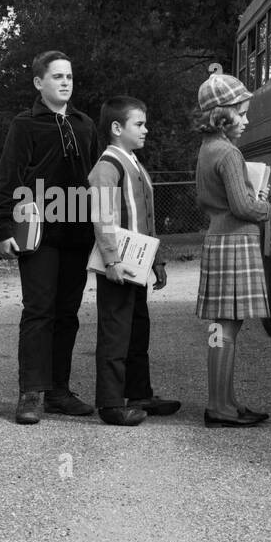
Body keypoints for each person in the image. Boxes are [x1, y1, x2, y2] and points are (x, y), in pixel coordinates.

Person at [0, 51, 100, 424]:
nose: (65, 82)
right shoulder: (25, 125)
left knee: (67, 313)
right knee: (39, 311)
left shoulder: (85, 125)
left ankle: (58, 391)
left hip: (78, 231)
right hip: (38, 232)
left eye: (69, 76)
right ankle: (31, 393)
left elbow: (98, 181)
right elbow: (8, 178)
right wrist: (2, 230)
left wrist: (102, 229)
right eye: (57, 77)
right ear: (39, 83)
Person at [88, 96, 180, 426]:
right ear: (116, 128)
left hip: (139, 264)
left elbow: (146, 217)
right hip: (119, 264)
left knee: (138, 329)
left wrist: (157, 260)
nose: (145, 130)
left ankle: (139, 391)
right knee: (115, 331)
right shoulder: (107, 167)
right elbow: (102, 215)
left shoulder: (134, 163)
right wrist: (111, 261)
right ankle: (111, 403)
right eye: (138, 124)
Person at [193, 73, 271, 428]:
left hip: (218, 239)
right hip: (234, 241)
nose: (246, 120)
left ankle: (225, 401)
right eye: (242, 113)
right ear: (223, 114)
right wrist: (265, 205)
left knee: (223, 326)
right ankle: (218, 407)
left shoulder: (208, 148)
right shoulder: (228, 152)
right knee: (225, 328)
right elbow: (243, 207)